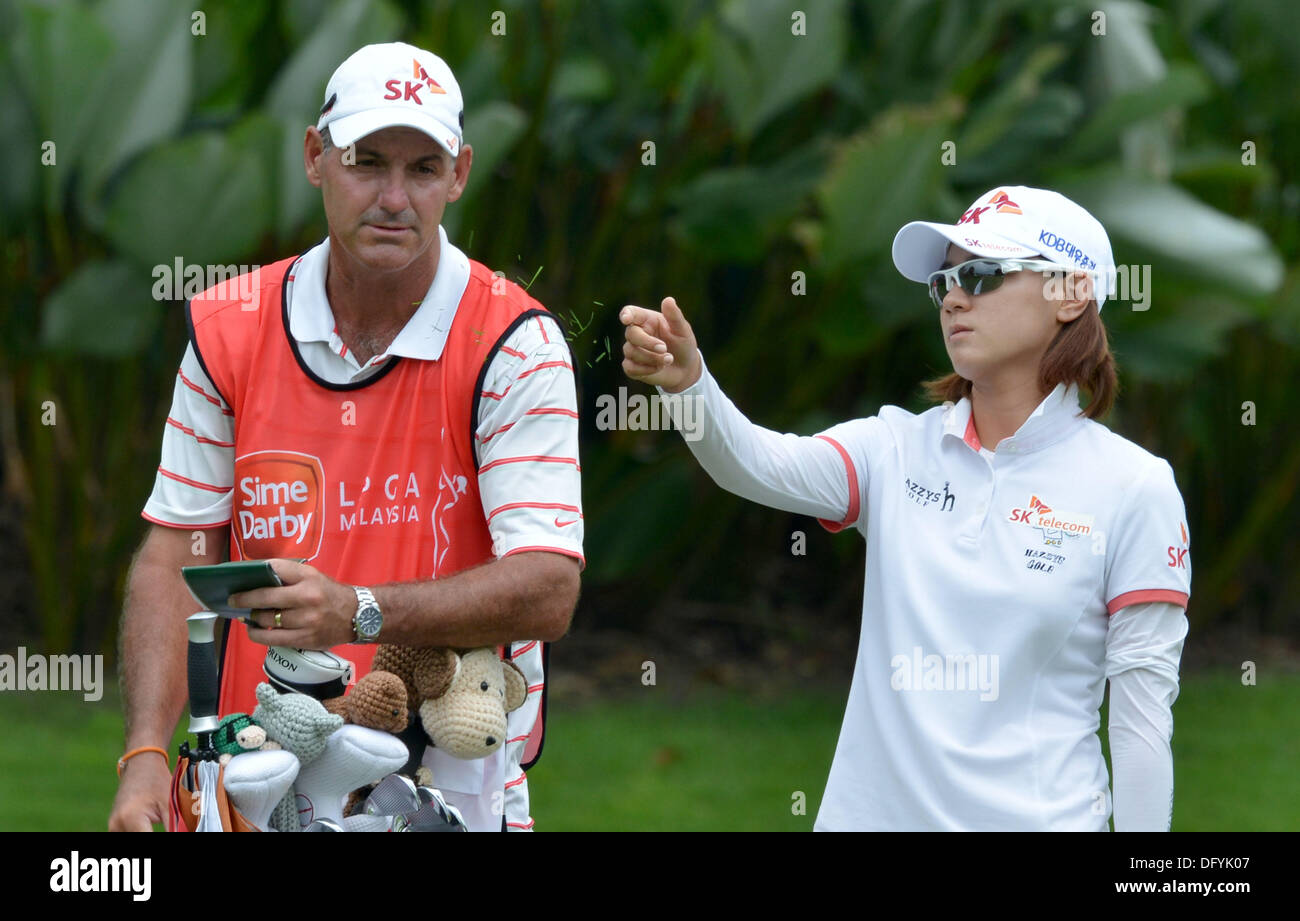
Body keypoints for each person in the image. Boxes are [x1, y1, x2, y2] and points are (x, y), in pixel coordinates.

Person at [108, 42, 583, 833]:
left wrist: (356, 610)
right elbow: (173, 555)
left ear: (459, 175)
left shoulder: (515, 343)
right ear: (315, 157)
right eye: (367, 161)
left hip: (447, 792)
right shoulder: (229, 330)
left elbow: (546, 584)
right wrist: (146, 757)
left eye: (423, 169)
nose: (394, 197)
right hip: (246, 783)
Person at [620, 186, 1191, 831]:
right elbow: (753, 463)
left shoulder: (1136, 486)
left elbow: (1143, 724)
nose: (952, 297)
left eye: (980, 274)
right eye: (944, 280)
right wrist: (688, 384)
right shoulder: (893, 448)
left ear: (1071, 293)